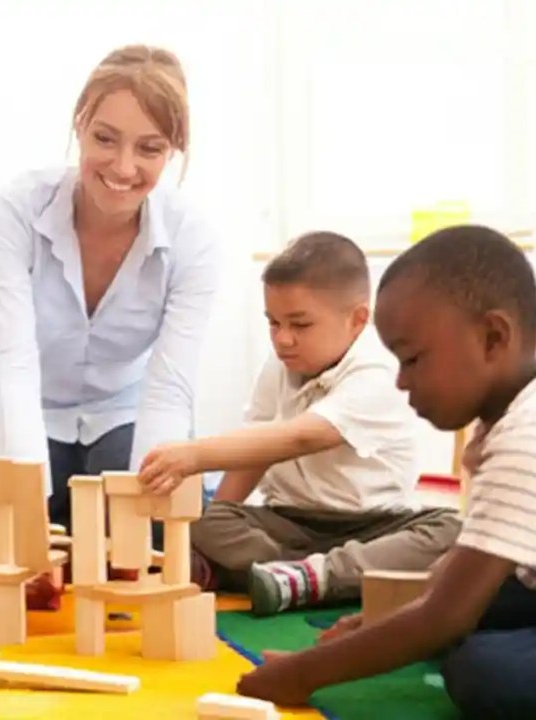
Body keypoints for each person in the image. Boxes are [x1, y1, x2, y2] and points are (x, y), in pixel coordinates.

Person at [237, 225, 536, 719]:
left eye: (414, 359)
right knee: (472, 596)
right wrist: (378, 621)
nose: (402, 381)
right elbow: (461, 574)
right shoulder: (526, 411)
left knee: (480, 669)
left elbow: (445, 615)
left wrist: (301, 673)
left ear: (493, 337)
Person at [139, 232, 460, 615]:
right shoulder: (280, 365)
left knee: (453, 530)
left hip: (375, 524)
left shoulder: (380, 369)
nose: (283, 339)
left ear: (357, 320)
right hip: (288, 523)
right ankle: (303, 576)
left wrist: (196, 454)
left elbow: (302, 437)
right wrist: (208, 528)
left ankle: (306, 576)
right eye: (273, 323)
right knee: (206, 520)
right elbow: (255, 451)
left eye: (300, 325)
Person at [0, 44, 219, 532]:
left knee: (150, 530)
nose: (124, 167)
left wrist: (142, 521)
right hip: (34, 413)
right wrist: (26, 511)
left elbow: (170, 386)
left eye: (149, 148)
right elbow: (13, 364)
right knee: (0, 530)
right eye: (105, 139)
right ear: (80, 127)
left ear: (173, 151)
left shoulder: (192, 237)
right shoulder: (16, 210)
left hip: (122, 415)